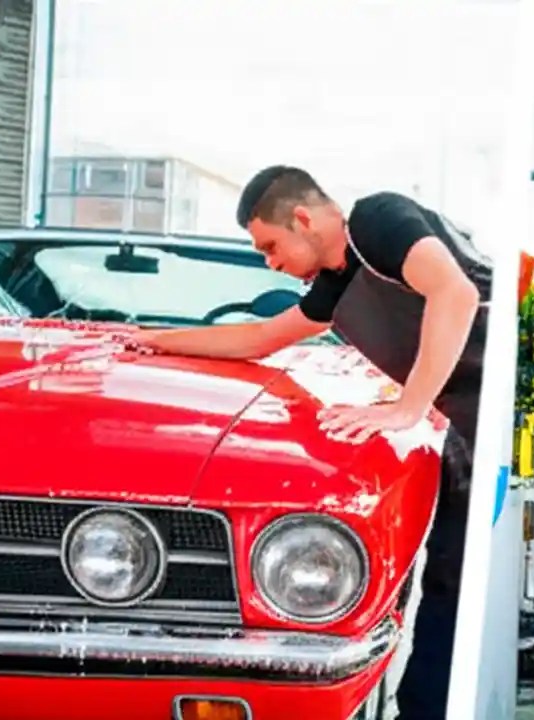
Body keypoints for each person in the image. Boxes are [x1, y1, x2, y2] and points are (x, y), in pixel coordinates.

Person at [128, 165, 492, 719]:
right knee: (448, 585)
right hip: (470, 432)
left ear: (303, 218)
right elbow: (260, 337)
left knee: (459, 588)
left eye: (270, 246)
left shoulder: (379, 218)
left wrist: (407, 408)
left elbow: (456, 293)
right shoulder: (338, 284)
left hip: (500, 415)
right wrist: (154, 341)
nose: (270, 263)